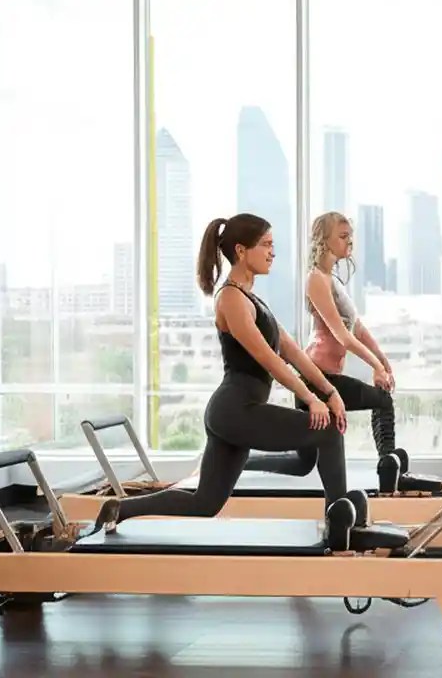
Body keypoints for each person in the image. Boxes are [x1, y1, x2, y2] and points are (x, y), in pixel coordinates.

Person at [94, 214, 349, 530]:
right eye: (266, 245)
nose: (273, 252)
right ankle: (342, 529)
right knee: (327, 432)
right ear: (241, 251)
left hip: (235, 412)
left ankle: (118, 509)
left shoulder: (252, 300)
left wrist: (331, 392)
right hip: (236, 410)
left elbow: (293, 352)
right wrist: (311, 398)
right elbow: (268, 358)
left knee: (204, 504)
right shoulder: (230, 298)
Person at [242, 212, 438, 492]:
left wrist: (382, 359)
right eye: (343, 236)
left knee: (302, 463)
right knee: (382, 401)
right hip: (317, 379)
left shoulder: (333, 281)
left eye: (351, 236)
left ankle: (242, 460)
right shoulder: (316, 280)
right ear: (325, 240)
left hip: (329, 376)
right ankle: (389, 469)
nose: (350, 242)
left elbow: (357, 327)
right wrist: (376, 368)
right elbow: (341, 336)